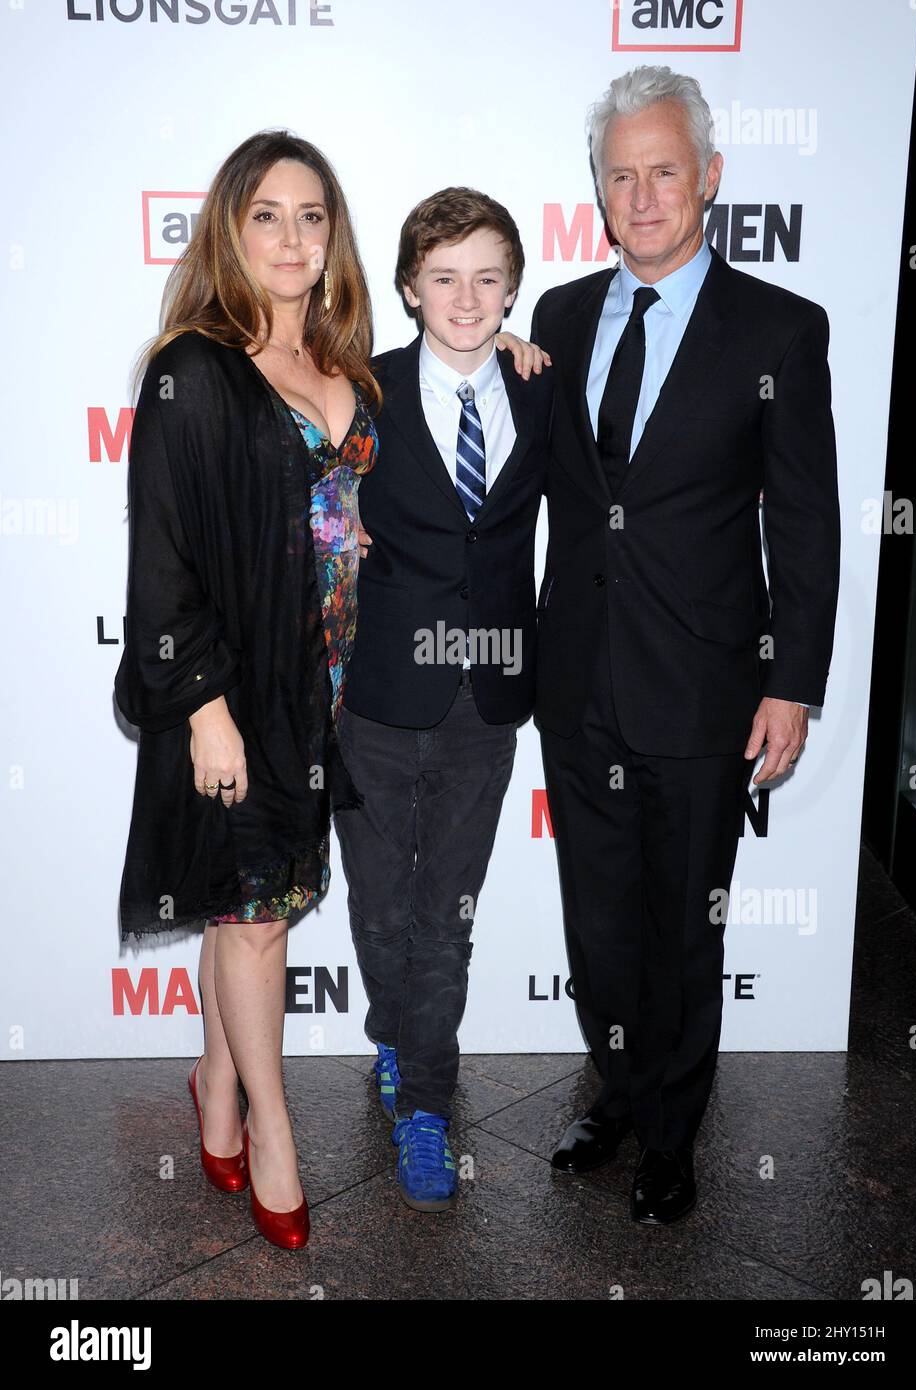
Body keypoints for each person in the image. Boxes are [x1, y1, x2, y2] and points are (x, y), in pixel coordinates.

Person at [530, 67, 840, 1223]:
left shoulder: (777, 328)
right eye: (621, 174)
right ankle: (615, 1089)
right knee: (598, 922)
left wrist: (792, 684)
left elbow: (803, 523)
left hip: (708, 692)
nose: (643, 193)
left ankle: (671, 1131)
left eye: (664, 169)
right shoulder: (558, 321)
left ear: (709, 177)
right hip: (579, 684)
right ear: (598, 191)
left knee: (682, 925)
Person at [115, 130, 382, 1250]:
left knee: (251, 903)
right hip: (235, 691)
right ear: (230, 226)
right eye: (266, 213)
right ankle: (271, 1131)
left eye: (311, 215)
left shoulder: (342, 363)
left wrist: (500, 340)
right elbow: (163, 555)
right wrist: (204, 708)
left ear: (332, 238)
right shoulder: (194, 366)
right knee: (260, 917)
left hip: (324, 686)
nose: (291, 235)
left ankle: (214, 1084)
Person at [332, 187, 553, 1211]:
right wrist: (339, 532)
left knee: (447, 913)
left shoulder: (542, 392)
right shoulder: (356, 393)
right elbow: (299, 510)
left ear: (512, 286)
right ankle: (396, 1036)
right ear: (410, 287)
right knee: (381, 910)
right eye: (444, 277)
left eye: (487, 278)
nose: (466, 298)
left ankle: (423, 1098)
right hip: (374, 696)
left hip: (487, 696)